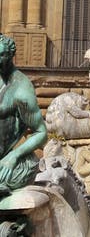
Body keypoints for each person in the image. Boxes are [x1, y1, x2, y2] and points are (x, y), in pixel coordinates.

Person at [0, 34, 48, 195]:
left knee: (23, 170)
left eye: (1, 55)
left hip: (6, 160)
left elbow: (41, 132)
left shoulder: (21, 89)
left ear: (10, 55)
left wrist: (14, 156)